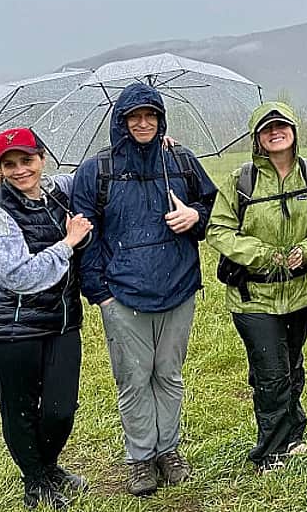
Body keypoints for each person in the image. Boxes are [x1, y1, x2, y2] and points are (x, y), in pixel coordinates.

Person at [73, 83, 217, 497]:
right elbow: (87, 236)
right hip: (122, 295)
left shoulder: (182, 162)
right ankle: (140, 459)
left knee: (169, 375)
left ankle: (168, 451)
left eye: (150, 115)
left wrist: (195, 217)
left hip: (179, 288)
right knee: (134, 380)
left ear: (161, 119)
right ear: (121, 121)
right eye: (134, 116)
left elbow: (215, 209)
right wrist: (100, 292)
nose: (143, 123)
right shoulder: (96, 171)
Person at [206, 102, 307, 472]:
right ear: (257, 139)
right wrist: (262, 254)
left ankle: (293, 430)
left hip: (301, 293)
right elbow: (218, 229)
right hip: (253, 297)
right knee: (271, 373)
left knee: (291, 365)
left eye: (281, 126)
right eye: (267, 129)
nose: (275, 132)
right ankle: (271, 451)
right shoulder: (241, 182)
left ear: (294, 131)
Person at [0, 128, 93, 509]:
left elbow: (96, 171)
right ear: (1, 169)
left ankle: (49, 466)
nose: (21, 170)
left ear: (42, 158)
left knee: (60, 410)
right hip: (7, 328)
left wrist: (149, 142)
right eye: (10, 164)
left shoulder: (57, 190)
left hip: (60, 321)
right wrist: (69, 242)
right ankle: (37, 481)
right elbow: (20, 276)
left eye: (27, 160)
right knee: (21, 409)